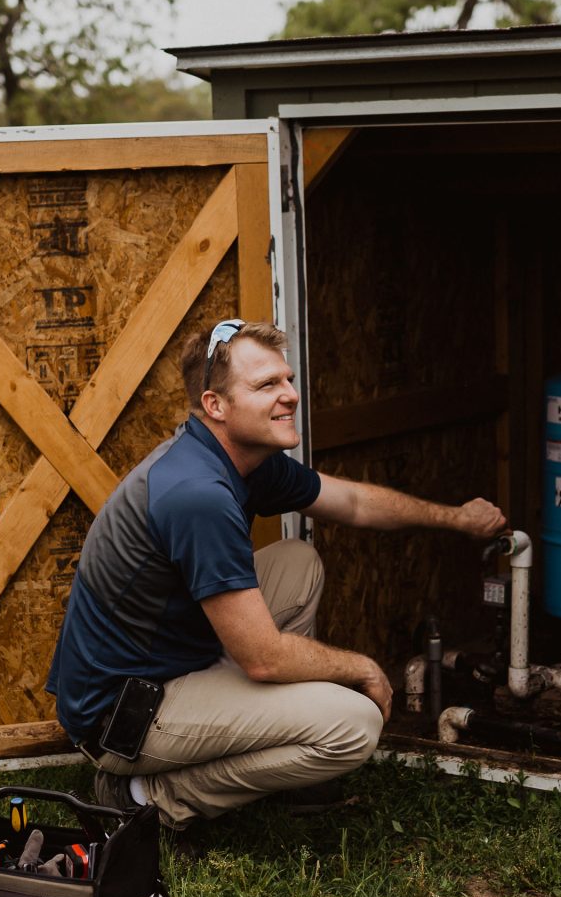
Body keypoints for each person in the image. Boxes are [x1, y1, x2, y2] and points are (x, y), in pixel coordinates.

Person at [45, 318, 505, 841]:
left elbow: (352, 502)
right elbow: (262, 658)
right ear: (216, 405)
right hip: (120, 716)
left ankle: (278, 755)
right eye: (266, 386)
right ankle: (144, 799)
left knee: (296, 562)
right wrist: (360, 668)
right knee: (352, 725)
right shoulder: (197, 493)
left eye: (287, 380)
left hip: (169, 662)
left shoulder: (242, 458)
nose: (290, 395)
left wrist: (455, 518)